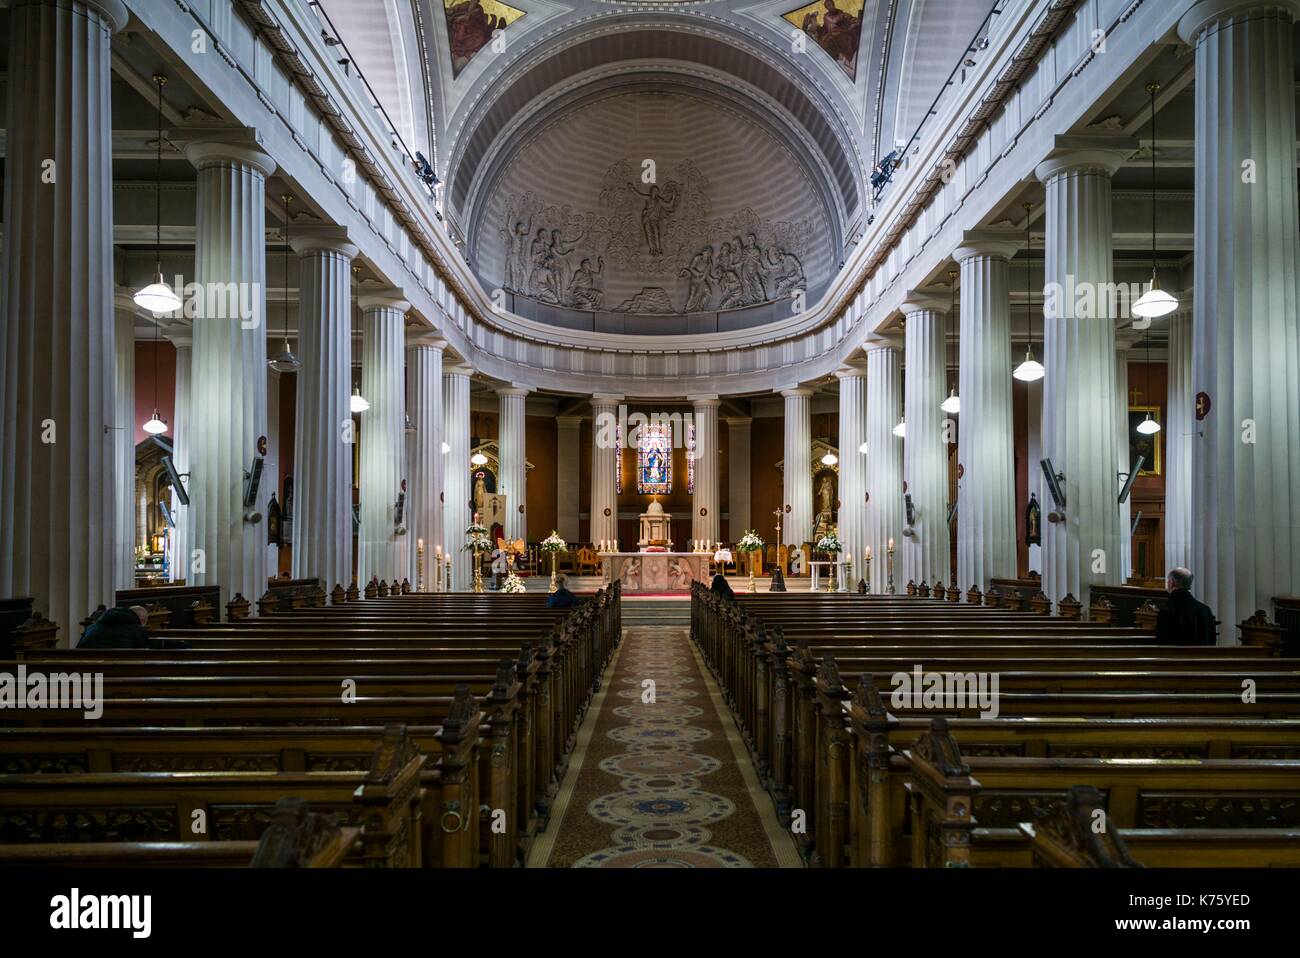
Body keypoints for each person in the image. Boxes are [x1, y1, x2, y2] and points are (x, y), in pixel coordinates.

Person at [76, 605, 191, 650]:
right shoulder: (137, 630)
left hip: (87, 675)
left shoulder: (92, 628)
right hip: (122, 674)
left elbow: (78, 649)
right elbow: (146, 649)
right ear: (142, 621)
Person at [1155, 567, 1216, 646]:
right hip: (1203, 654)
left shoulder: (1166, 611)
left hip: (1176, 654)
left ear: (1172, 583)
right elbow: (1212, 641)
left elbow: (1162, 644)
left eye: (1168, 581)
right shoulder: (1205, 610)